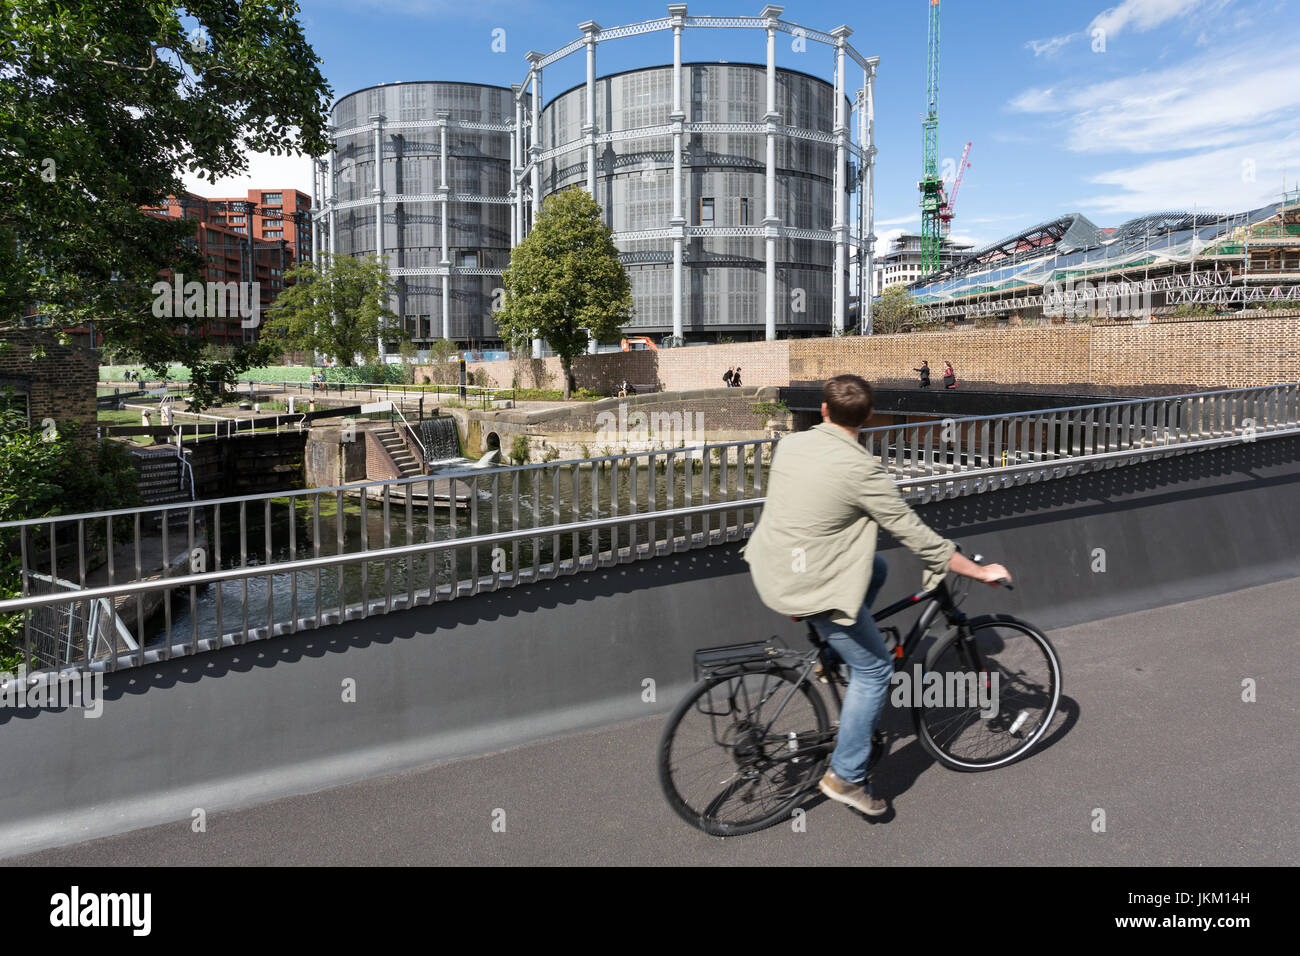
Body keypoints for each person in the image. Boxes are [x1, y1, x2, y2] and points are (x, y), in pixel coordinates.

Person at [742, 374, 1010, 816]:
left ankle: (832, 657)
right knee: (876, 672)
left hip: (774, 567)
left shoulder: (790, 445)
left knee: (876, 566)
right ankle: (845, 777)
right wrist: (980, 571)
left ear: (823, 411)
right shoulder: (864, 471)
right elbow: (921, 541)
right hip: (813, 587)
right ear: (867, 417)